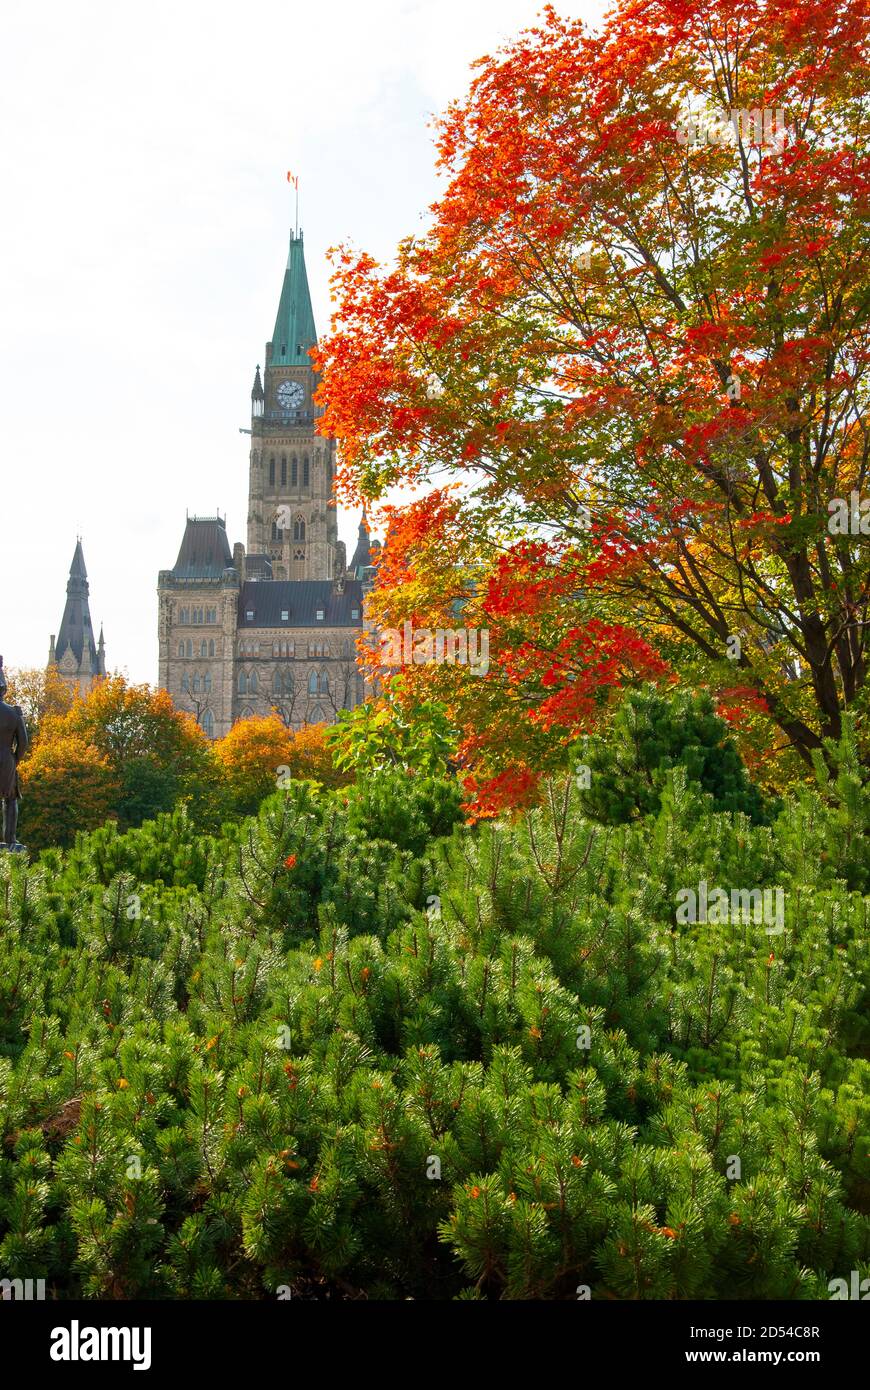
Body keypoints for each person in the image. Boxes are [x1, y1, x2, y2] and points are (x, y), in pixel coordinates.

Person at [0, 658, 28, 852]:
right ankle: (10, 839)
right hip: (7, 759)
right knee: (10, 798)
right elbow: (24, 742)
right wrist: (14, 759)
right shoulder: (14, 713)